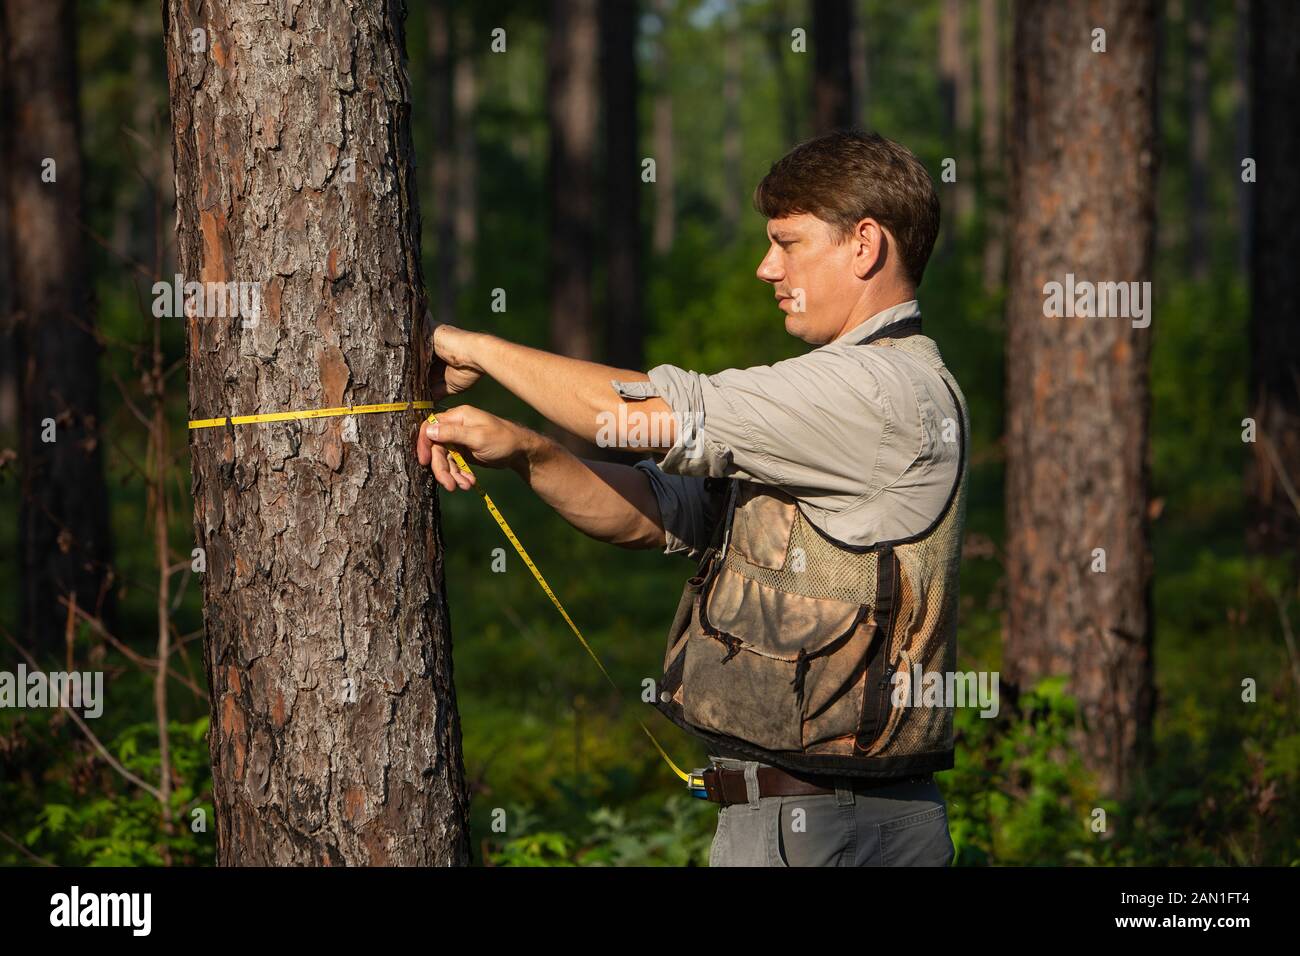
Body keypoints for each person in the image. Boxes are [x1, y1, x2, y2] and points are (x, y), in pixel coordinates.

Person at [415, 129, 966, 867]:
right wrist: (528, 450)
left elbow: (644, 414)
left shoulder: (877, 392)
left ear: (864, 245)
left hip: (832, 828)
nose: (766, 267)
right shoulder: (843, 394)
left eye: (788, 242)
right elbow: (660, 514)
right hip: (804, 819)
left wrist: (471, 346)